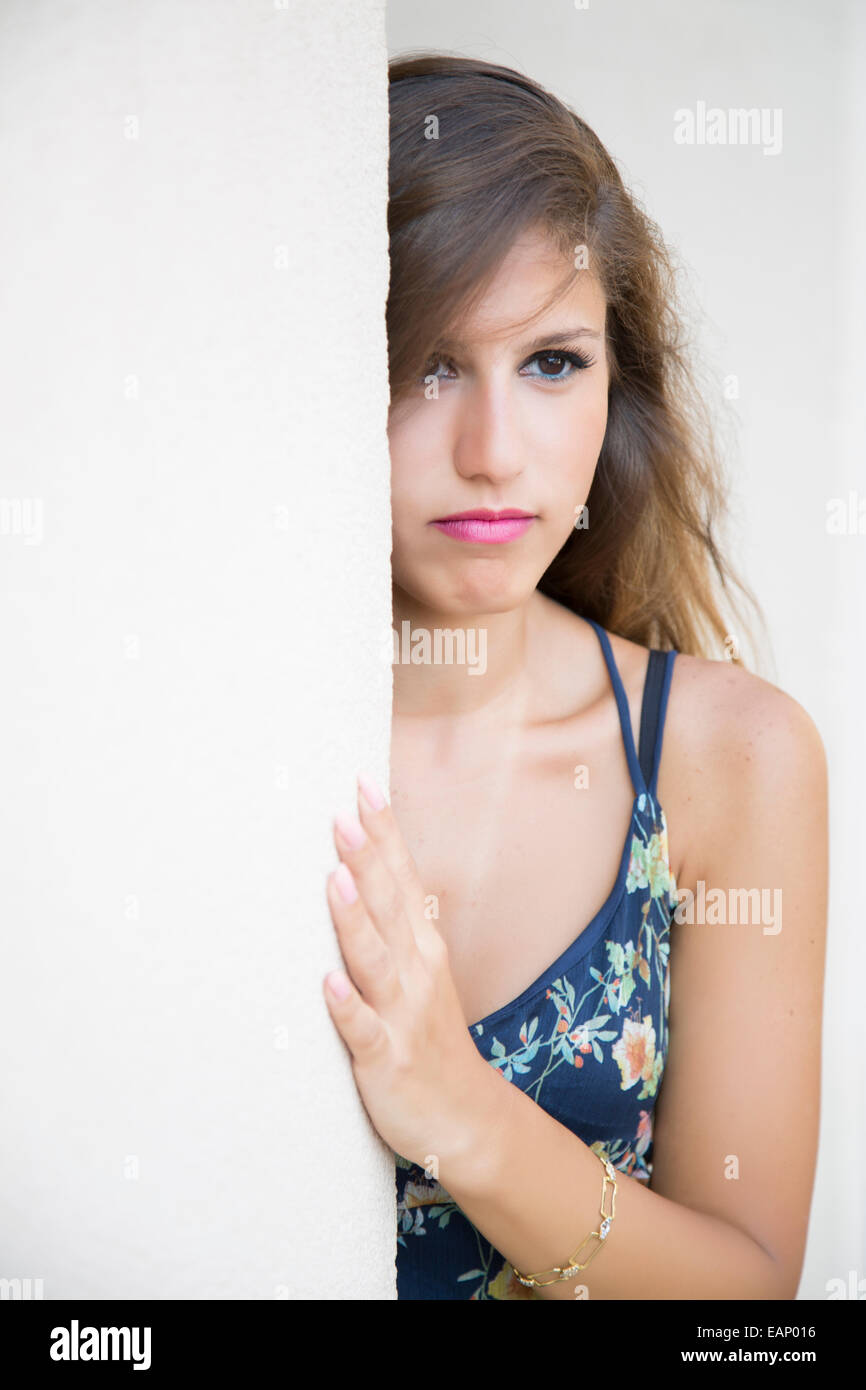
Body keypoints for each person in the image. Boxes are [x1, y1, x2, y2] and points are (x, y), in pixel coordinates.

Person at [321, 54, 828, 1300]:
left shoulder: (726, 758)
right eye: (426, 365)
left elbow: (751, 1302)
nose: (492, 452)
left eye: (550, 362)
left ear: (618, 389)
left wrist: (461, 1115)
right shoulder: (221, 731)